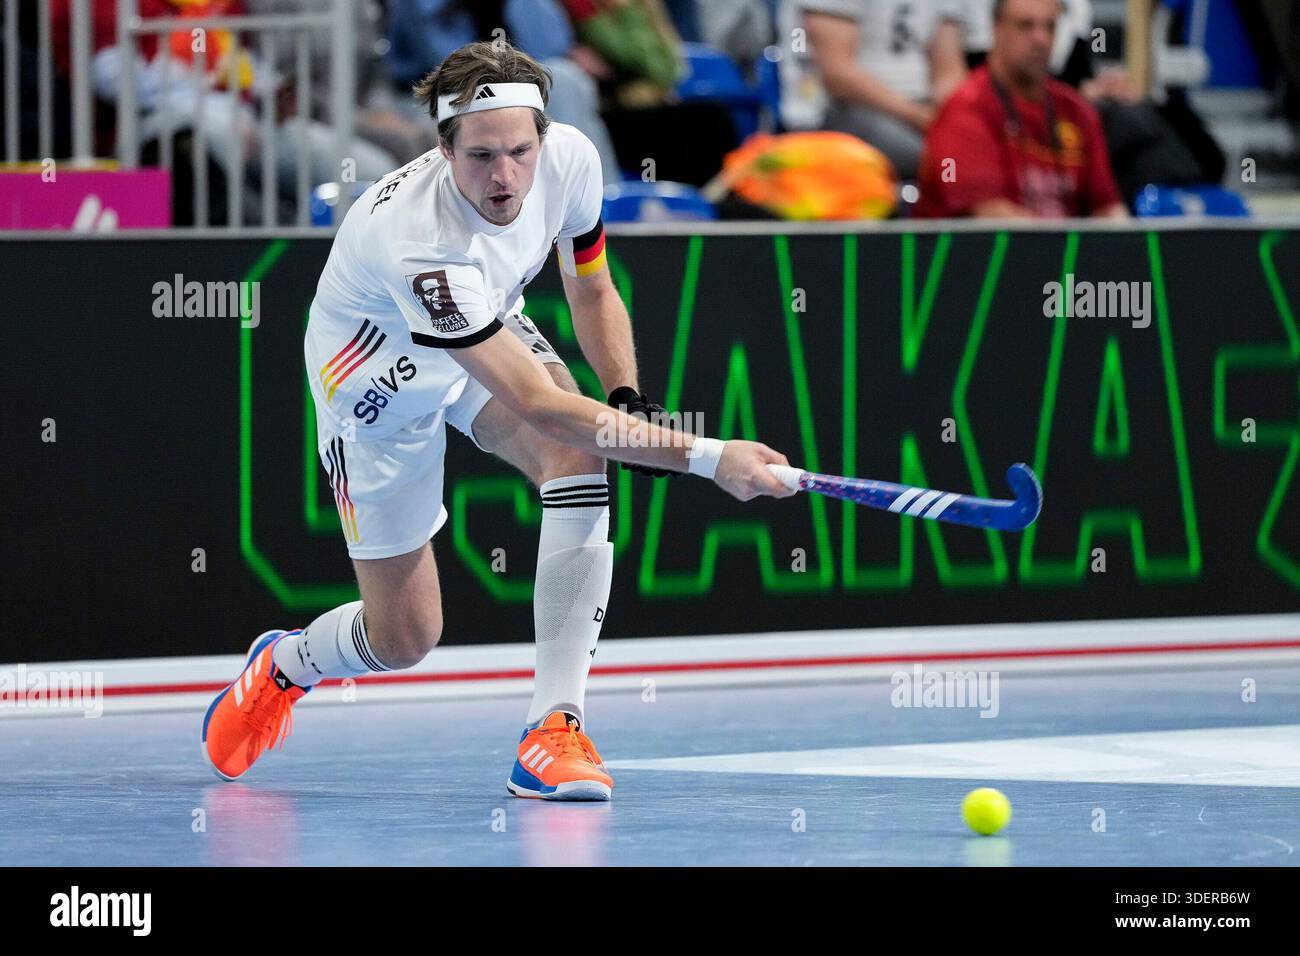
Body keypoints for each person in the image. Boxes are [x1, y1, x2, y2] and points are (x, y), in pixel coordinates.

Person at [201, 40, 795, 801]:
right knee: (404, 639)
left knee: (579, 455)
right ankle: (286, 664)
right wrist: (712, 457)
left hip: (486, 322)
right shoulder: (418, 242)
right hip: (378, 393)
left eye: (520, 150)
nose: (504, 177)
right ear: (443, 149)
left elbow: (591, 288)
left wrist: (626, 399)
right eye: (481, 156)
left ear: (544, 137)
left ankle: (555, 727)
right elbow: (542, 403)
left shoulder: (571, 160)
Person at [915, 0, 1127, 218]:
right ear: (996, 30)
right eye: (1025, 26)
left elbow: (1108, 207)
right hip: (986, 250)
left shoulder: (1077, 112)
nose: (1040, 39)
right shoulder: (963, 110)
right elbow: (992, 217)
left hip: (1061, 246)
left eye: (1050, 27)